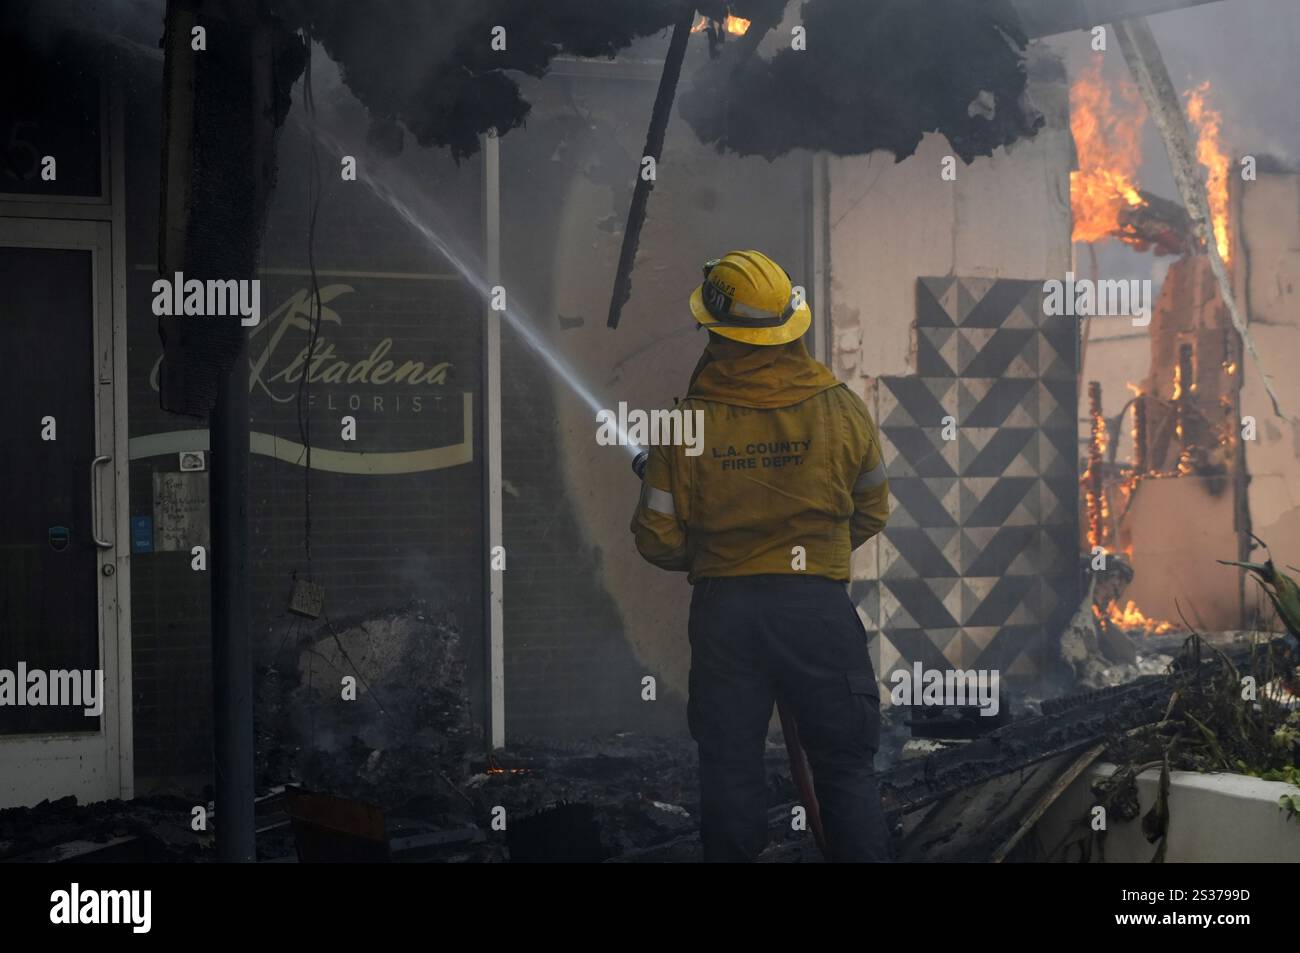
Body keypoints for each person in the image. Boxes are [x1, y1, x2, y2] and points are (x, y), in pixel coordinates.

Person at [630, 249, 892, 862]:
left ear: (716, 332)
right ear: (790, 325)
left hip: (729, 617)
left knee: (729, 769)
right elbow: (873, 508)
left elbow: (656, 539)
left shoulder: (684, 425)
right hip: (818, 614)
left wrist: (726, 554)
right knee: (846, 769)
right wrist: (811, 559)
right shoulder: (842, 407)